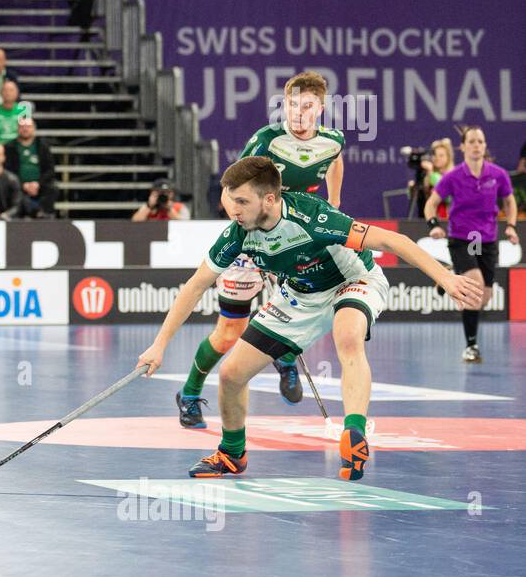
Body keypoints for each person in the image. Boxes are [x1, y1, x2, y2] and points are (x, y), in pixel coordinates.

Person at [137, 156, 481, 482]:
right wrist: (159, 344)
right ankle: (232, 453)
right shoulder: (239, 233)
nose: (234, 211)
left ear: (269, 199)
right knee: (230, 374)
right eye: (231, 201)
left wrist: (446, 278)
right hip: (298, 296)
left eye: (242, 202)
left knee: (347, 336)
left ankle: (354, 434)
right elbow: (195, 286)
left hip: (352, 281)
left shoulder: (313, 217)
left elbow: (393, 240)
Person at [173, 71, 344, 429]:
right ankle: (189, 393)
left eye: (307, 106)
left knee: (304, 310)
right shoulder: (267, 140)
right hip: (253, 241)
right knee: (229, 332)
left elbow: (334, 161)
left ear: (322, 108)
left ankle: (283, 354)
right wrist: (247, 225)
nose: (298, 113)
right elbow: (228, 189)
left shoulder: (333, 140)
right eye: (292, 105)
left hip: (296, 242)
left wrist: (335, 202)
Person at [425, 126, 519, 363]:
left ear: (485, 146)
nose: (477, 145)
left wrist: (511, 226)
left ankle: (448, 278)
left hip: (487, 240)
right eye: (472, 141)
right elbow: (431, 203)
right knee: (474, 286)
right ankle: (471, 346)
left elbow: (509, 201)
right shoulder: (453, 176)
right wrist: (434, 224)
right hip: (461, 239)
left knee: (484, 297)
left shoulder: (498, 175)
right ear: (463, 146)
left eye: (481, 141)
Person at [5, 117, 56, 218]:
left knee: (53, 188)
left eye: (28, 126)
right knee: (13, 190)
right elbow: (8, 170)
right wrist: (23, 185)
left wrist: (37, 184)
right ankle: (36, 213)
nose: (25, 129)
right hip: (18, 184)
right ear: (18, 129)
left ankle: (41, 213)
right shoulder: (10, 147)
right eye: (22, 126)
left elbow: (50, 169)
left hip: (39, 185)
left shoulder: (42, 146)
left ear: (33, 128)